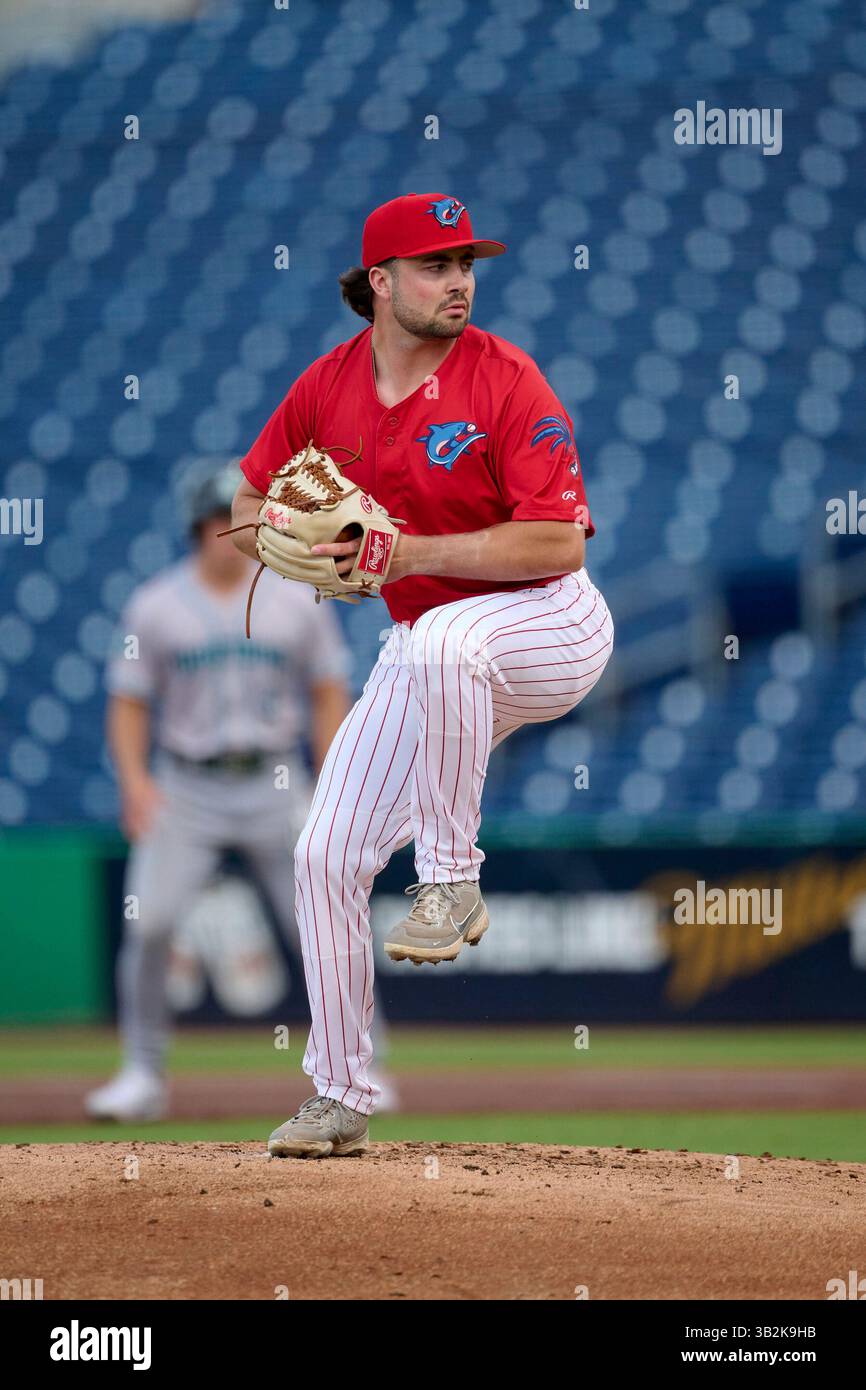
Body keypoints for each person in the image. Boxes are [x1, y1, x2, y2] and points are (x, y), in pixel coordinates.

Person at [231, 192, 615, 1158]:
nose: (460, 281)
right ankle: (341, 1094)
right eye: (437, 264)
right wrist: (286, 547)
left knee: (446, 641)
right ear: (378, 284)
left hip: (551, 626)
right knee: (323, 855)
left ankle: (450, 881)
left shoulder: (504, 377)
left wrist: (406, 557)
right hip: (430, 647)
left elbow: (560, 539)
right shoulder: (327, 388)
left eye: (467, 263)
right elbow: (247, 499)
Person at [85, 463, 398, 1122]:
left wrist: (335, 777)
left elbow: (325, 690)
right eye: (229, 519)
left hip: (274, 778)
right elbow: (128, 701)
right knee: (150, 924)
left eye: (251, 519)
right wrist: (136, 782)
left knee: (330, 920)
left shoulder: (294, 595)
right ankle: (142, 1073)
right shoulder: (156, 604)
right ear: (201, 527)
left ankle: (359, 1070)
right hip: (187, 785)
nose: (242, 530)